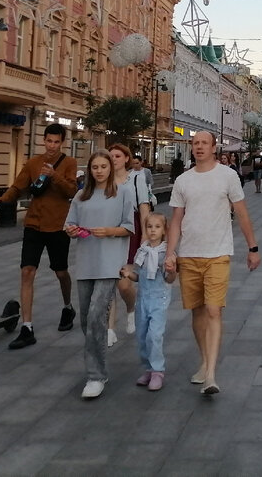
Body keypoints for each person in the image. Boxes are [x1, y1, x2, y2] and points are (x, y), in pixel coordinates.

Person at [164, 131, 260, 396]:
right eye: (195, 143)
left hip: (217, 254)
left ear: (214, 147)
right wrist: (170, 253)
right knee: (196, 312)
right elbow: (175, 221)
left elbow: (241, 213)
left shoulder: (227, 176)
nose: (199, 147)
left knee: (213, 310)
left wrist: (253, 248)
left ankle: (211, 375)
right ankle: (205, 362)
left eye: (204, 143)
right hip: (189, 254)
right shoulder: (183, 180)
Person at [0, 123, 79, 350]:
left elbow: (72, 191)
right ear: (43, 140)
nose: (52, 146)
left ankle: (67, 307)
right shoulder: (32, 163)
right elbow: (18, 187)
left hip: (58, 225)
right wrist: (0, 201)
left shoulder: (69, 163)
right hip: (34, 225)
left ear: (62, 142)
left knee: (60, 272)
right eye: (49, 141)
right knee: (27, 271)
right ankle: (27, 326)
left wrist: (54, 175)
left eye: (56, 142)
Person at [64, 151, 135, 399]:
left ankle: (95, 375)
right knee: (86, 319)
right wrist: (71, 231)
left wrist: (110, 231)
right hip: (86, 264)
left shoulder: (123, 193)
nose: (100, 171)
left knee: (96, 313)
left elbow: (129, 227)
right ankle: (98, 359)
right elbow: (69, 224)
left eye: (104, 166)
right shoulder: (80, 196)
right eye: (95, 167)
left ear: (111, 168)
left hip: (110, 264)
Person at [121, 211, 175, 391]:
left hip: (159, 299)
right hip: (143, 299)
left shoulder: (166, 253)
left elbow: (169, 279)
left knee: (155, 335)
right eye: (149, 227)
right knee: (142, 335)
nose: (153, 231)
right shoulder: (142, 251)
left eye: (157, 227)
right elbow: (139, 276)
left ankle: (158, 370)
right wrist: (129, 275)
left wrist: (172, 270)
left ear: (164, 230)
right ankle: (149, 368)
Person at [107, 143, 138, 347]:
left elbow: (143, 208)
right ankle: (109, 329)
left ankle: (131, 308)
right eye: (111, 156)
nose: (114, 159)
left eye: (118, 155)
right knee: (109, 282)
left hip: (129, 231)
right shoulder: (104, 179)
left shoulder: (136, 179)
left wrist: (147, 240)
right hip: (108, 232)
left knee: (124, 284)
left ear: (126, 158)